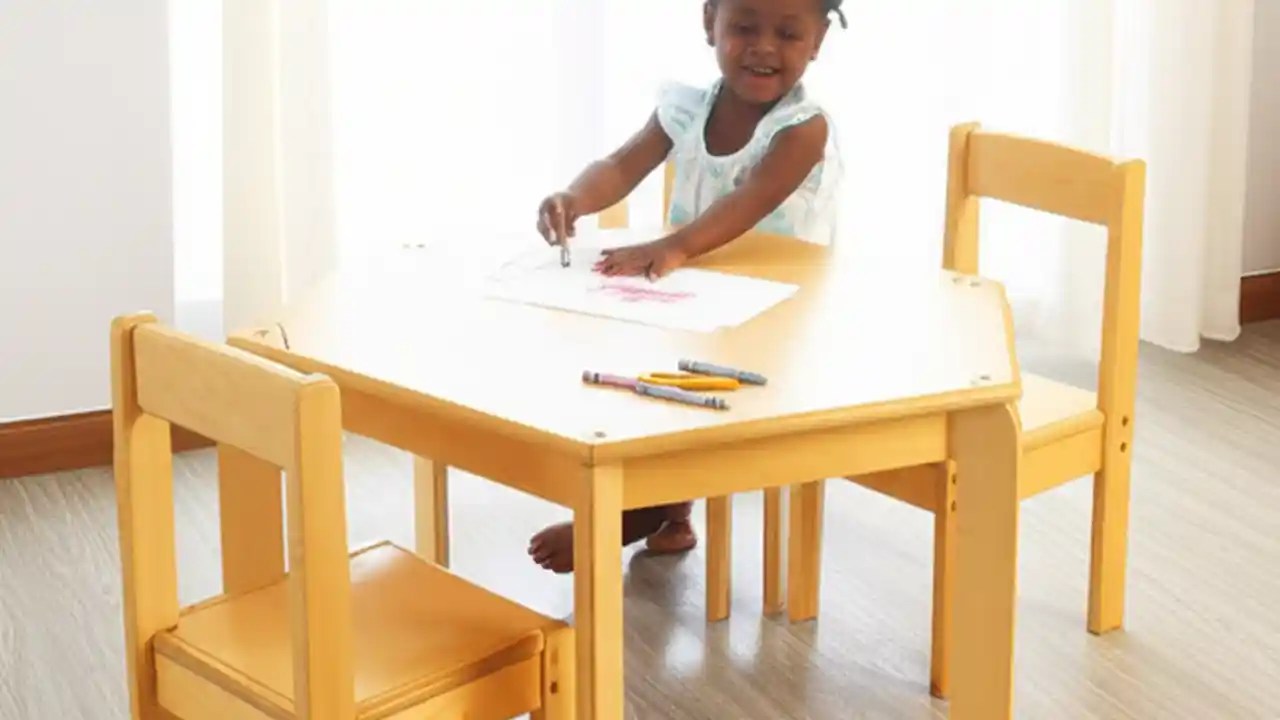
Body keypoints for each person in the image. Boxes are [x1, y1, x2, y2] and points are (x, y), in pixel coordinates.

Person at [529, 0, 847, 573]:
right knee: (640, 365)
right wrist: (574, 198)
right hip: (701, 289)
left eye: (788, 33)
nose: (764, 47)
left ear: (818, 39)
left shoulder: (803, 127)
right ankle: (666, 511)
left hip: (783, 305)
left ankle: (642, 511)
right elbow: (622, 165)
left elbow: (749, 201)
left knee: (703, 382)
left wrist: (673, 247)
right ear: (710, 23)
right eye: (745, 27)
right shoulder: (686, 108)